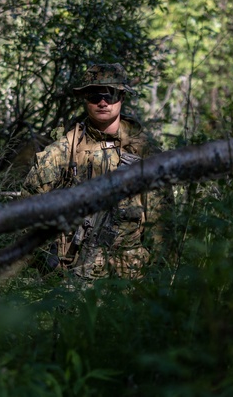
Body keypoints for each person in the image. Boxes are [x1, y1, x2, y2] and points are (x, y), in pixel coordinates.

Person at [23, 63, 157, 279]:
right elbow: (28, 204)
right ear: (85, 99)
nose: (102, 102)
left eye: (110, 95)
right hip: (72, 273)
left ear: (122, 97)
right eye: (95, 96)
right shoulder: (64, 148)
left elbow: (161, 219)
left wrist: (162, 275)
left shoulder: (143, 151)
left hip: (129, 275)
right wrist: (45, 258)